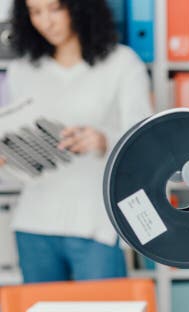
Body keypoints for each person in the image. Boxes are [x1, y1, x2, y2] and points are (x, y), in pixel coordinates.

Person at [4, 0, 151, 282]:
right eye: (35, 12)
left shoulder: (122, 63)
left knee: (104, 309)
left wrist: (104, 140)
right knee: (40, 311)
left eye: (54, 9)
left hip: (96, 221)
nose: (46, 22)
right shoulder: (22, 70)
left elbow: (144, 143)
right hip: (35, 223)